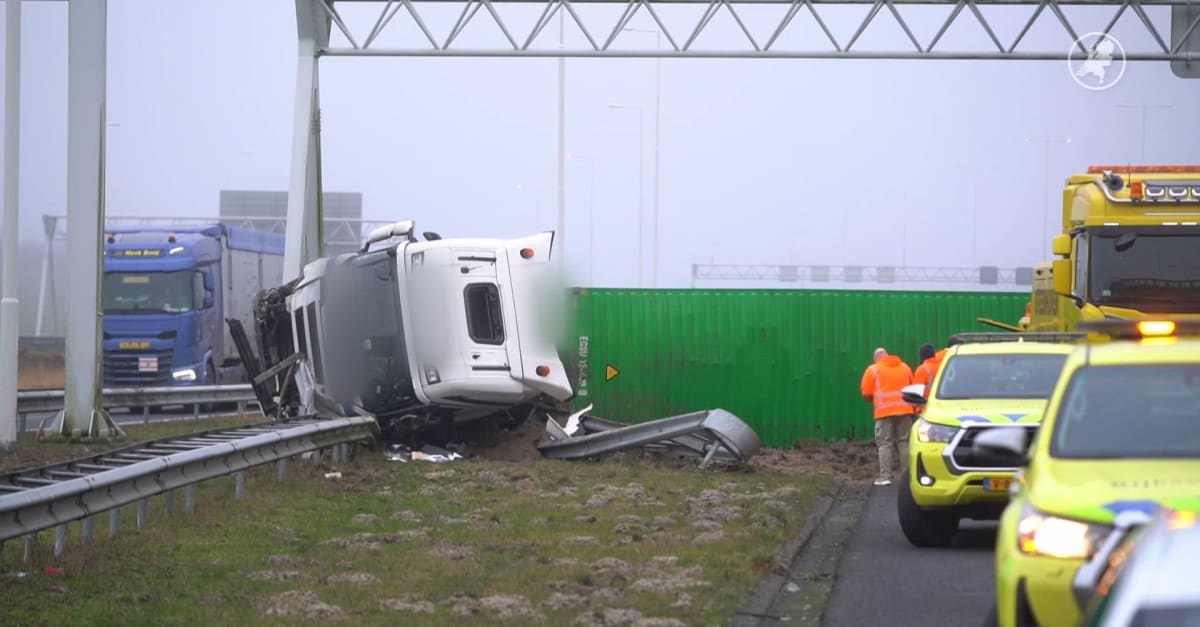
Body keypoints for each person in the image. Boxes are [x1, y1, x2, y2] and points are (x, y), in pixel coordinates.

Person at [860, 347, 914, 486]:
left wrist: (876, 401)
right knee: (904, 442)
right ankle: (907, 477)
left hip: (884, 412)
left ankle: (885, 476)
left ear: (876, 358)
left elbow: (866, 393)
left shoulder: (873, 369)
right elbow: (912, 388)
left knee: (884, 444)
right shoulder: (905, 368)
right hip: (905, 410)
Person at [913, 342, 942, 407]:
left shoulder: (922, 369)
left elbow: (916, 393)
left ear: (922, 356)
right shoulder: (943, 366)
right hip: (941, 406)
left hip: (926, 406)